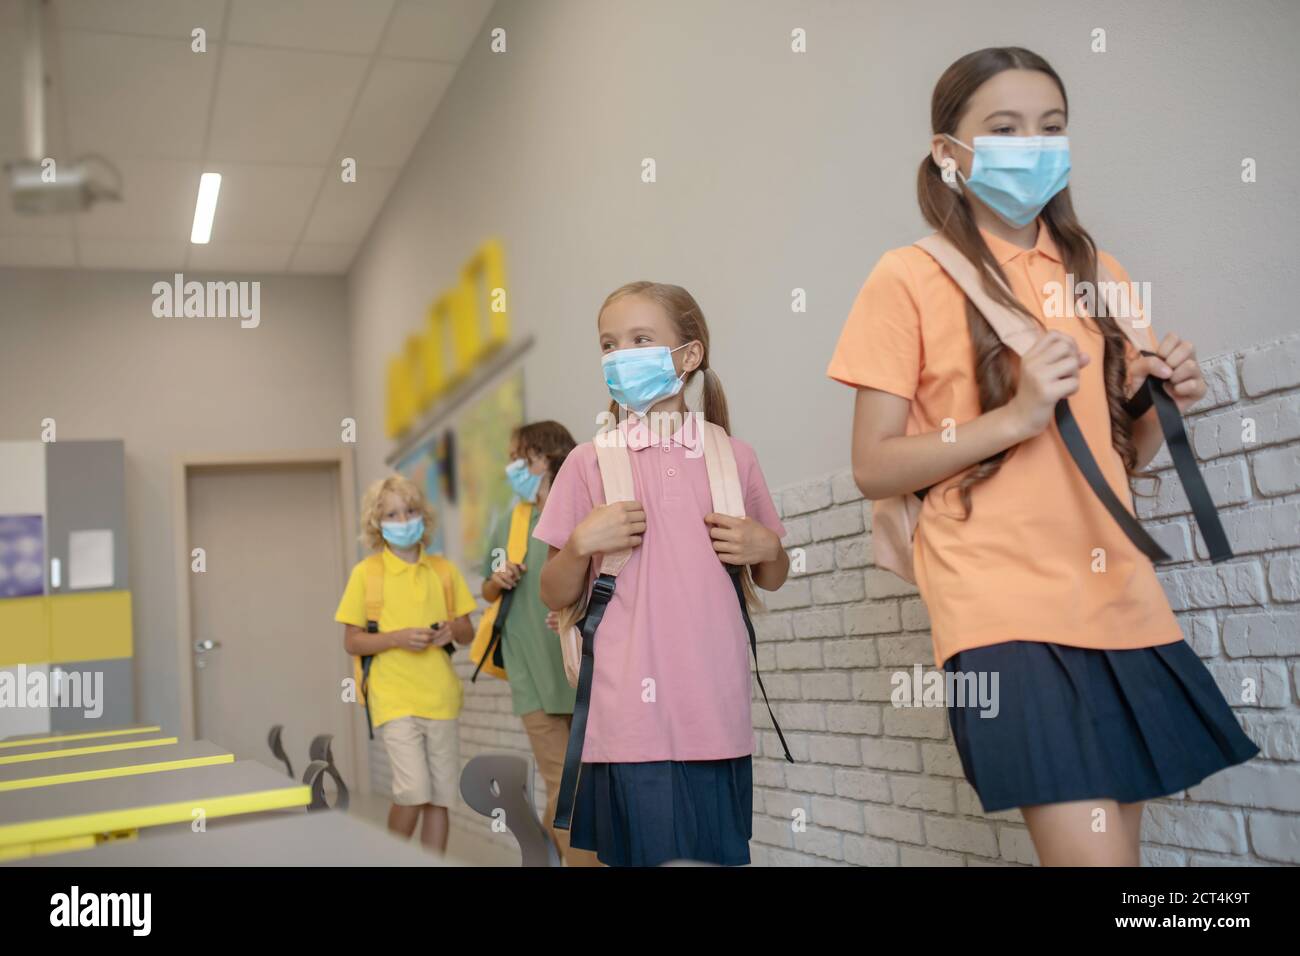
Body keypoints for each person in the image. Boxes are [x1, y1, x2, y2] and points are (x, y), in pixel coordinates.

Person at [827, 47, 1258, 866]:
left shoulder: (1100, 274)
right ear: (948, 154)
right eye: (1004, 127)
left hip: (1120, 597)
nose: (1034, 144)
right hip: (1002, 609)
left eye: (1050, 127)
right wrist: (1016, 415)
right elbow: (873, 467)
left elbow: (1117, 454)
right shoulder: (908, 277)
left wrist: (1162, 402)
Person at [535, 281, 789, 866]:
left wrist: (765, 545)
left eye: (640, 339)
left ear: (689, 355)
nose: (620, 355)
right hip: (628, 722)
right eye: (608, 344)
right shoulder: (587, 462)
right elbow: (552, 589)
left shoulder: (734, 457)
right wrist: (579, 546)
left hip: (715, 718)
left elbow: (772, 576)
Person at [335, 475, 476, 854]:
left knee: (440, 797)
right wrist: (396, 638)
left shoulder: (444, 571)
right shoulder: (366, 574)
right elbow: (352, 641)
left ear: (422, 516)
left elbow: (467, 631)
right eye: (393, 514)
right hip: (393, 698)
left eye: (410, 511)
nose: (403, 520)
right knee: (413, 791)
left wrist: (452, 629)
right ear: (377, 524)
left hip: (441, 697)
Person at [481, 421, 600, 866]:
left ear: (547, 457)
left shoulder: (585, 510)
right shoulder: (511, 523)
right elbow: (487, 592)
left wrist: (577, 612)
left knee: (590, 783)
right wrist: (496, 580)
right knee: (561, 783)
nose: (513, 466)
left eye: (521, 457)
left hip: (580, 667)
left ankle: (548, 857)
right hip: (530, 668)